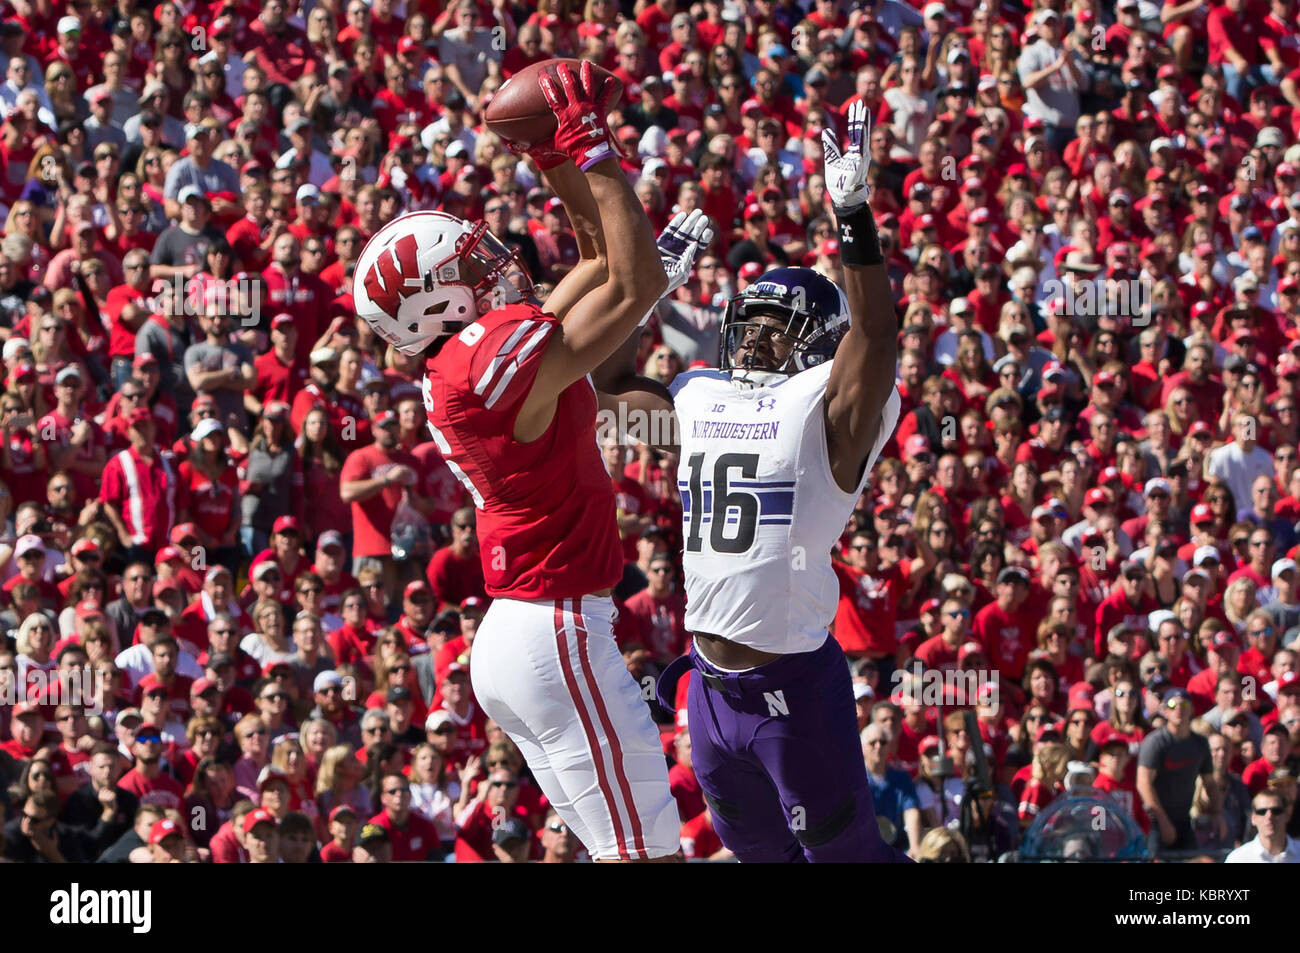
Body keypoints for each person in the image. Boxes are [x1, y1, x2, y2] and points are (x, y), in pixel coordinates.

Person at [356, 62, 708, 862]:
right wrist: (590, 143)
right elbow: (632, 274)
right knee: (648, 851)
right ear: (435, 303)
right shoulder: (485, 359)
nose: (494, 267)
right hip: (555, 629)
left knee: (620, 849)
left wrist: (549, 158)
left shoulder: (461, 361)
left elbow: (596, 257)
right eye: (467, 270)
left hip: (525, 631)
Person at [656, 103, 908, 863]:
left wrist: (854, 216)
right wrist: (640, 292)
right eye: (753, 319)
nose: (759, 335)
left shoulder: (828, 409)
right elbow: (589, 392)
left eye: (781, 324)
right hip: (705, 689)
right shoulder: (696, 390)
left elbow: (878, 337)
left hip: (792, 691)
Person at [1136, 688, 1221, 855]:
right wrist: (1163, 821)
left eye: (1184, 704)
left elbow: (1210, 782)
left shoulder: (1200, 743)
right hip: (1155, 822)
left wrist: (1218, 813)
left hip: (1184, 819)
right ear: (1165, 711)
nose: (1179, 709)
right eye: (1173, 705)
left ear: (1192, 709)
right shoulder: (1156, 742)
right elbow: (1143, 783)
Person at [1224, 789, 1300, 862]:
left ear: (1287, 815)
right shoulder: (1237, 859)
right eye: (1262, 812)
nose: (1269, 816)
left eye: (1276, 811)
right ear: (1253, 818)